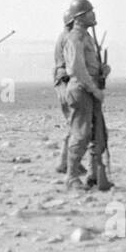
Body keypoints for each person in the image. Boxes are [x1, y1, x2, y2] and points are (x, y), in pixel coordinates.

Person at [63, 0, 111, 190]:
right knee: (81, 134)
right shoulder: (75, 38)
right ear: (80, 17)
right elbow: (76, 69)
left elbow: (88, 66)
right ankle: (71, 178)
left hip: (89, 90)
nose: (94, 15)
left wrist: (103, 69)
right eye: (90, 12)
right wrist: (94, 90)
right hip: (81, 90)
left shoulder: (86, 37)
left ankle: (94, 175)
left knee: (98, 134)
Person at [53, 9, 75, 173]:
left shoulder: (66, 36)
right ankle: (64, 162)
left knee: (74, 123)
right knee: (75, 122)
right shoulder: (69, 38)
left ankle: (68, 161)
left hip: (63, 80)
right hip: (66, 81)